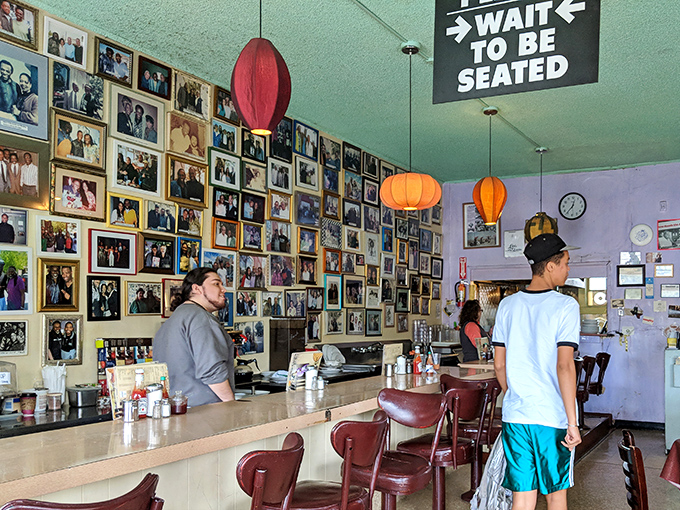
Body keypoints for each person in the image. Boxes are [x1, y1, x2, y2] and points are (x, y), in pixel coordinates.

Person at [493, 233, 582, 510]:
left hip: (516, 415)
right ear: (551, 266)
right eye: (566, 263)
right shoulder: (566, 306)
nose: (569, 269)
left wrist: (517, 394)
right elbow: (565, 366)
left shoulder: (507, 305)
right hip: (551, 416)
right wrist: (572, 422)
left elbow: (499, 364)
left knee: (523, 494)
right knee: (555, 494)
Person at [153, 268, 235, 406]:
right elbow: (211, 371)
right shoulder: (201, 318)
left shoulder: (173, 320)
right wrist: (231, 404)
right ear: (197, 288)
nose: (223, 289)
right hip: (206, 413)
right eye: (216, 284)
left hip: (176, 409)